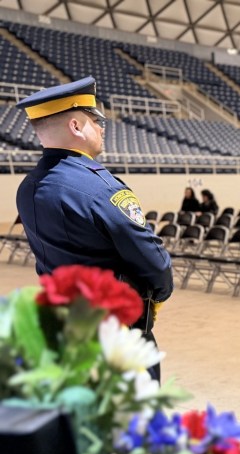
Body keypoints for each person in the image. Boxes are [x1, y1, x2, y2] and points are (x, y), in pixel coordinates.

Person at [15, 76, 173, 382]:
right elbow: (153, 261)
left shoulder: (28, 187)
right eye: (95, 119)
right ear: (76, 126)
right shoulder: (100, 188)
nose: (102, 127)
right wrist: (159, 296)